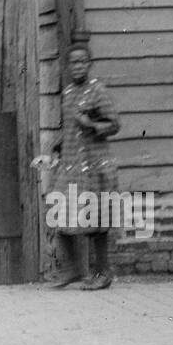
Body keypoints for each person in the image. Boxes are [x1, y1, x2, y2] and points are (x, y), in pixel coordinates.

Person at [51, 43, 121, 290]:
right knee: (60, 214)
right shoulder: (68, 93)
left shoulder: (98, 91)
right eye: (74, 62)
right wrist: (57, 145)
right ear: (69, 66)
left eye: (82, 62)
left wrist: (90, 123)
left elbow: (114, 125)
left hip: (93, 164)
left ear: (90, 64)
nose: (78, 66)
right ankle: (70, 270)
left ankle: (103, 273)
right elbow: (68, 126)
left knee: (95, 221)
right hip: (71, 163)